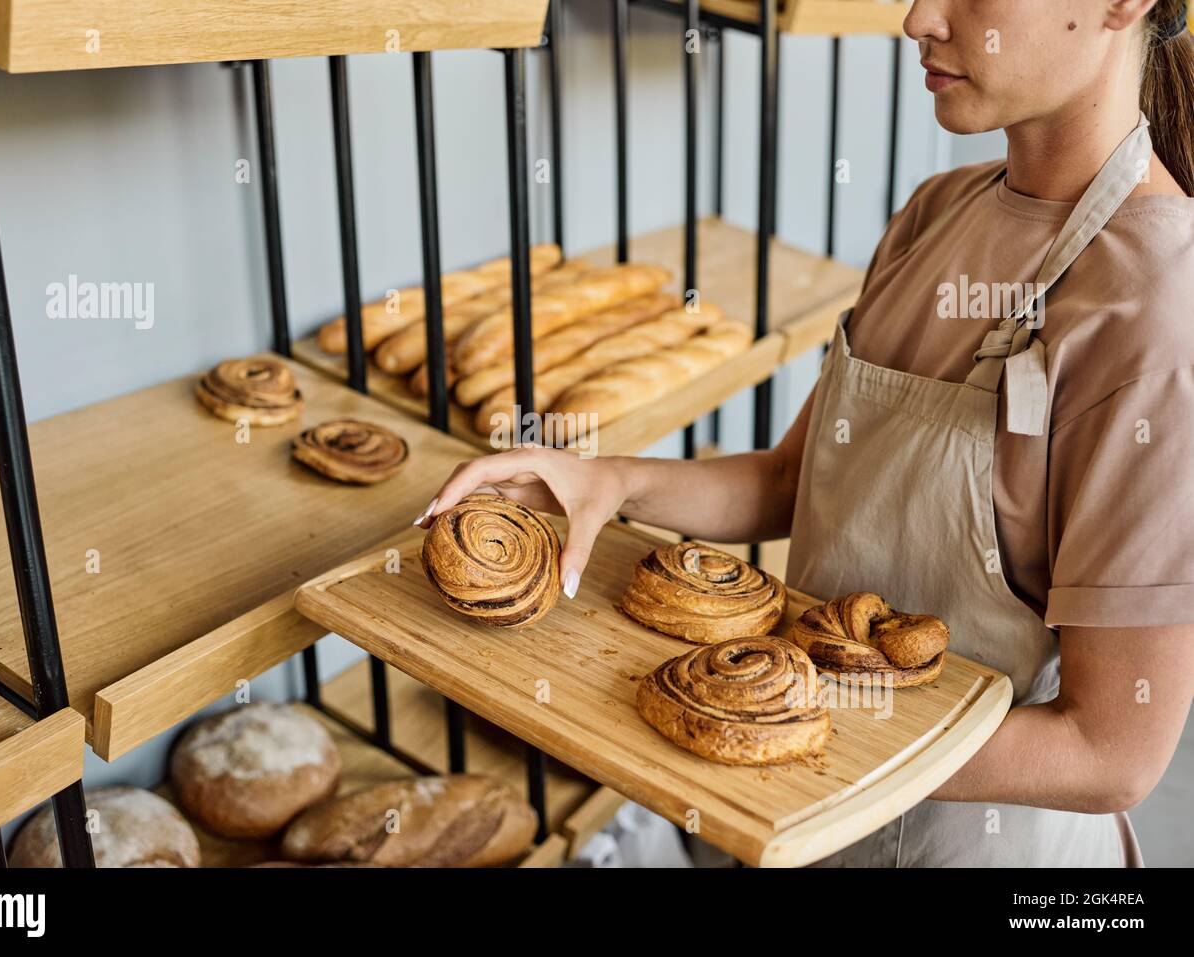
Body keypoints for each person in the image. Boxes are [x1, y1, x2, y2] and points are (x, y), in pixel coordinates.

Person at [418, 0, 1194, 866]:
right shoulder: (933, 213)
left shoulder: (1158, 314)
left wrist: (787, 725)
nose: (916, 19)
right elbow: (798, 479)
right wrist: (612, 480)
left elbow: (1112, 753)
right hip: (792, 820)